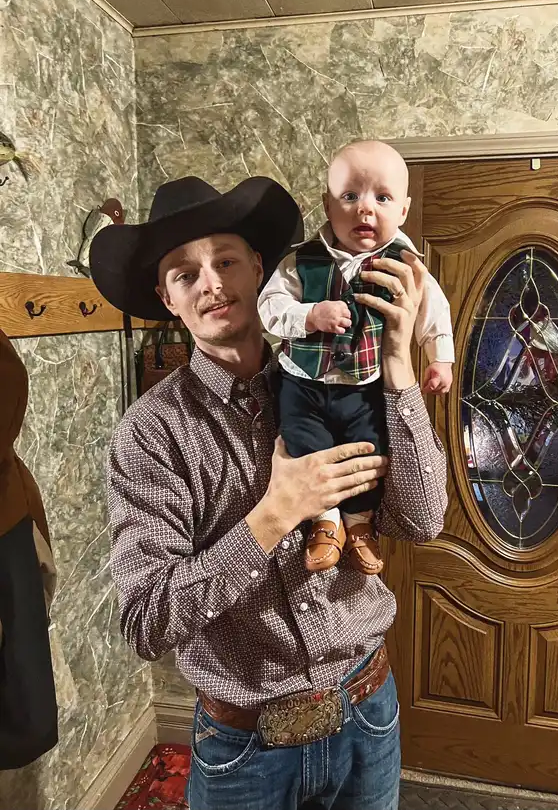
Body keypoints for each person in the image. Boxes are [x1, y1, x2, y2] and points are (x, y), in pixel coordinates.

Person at [89, 173, 448, 810]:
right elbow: (145, 620)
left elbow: (421, 520)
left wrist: (398, 366)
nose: (212, 284)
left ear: (259, 268)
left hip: (368, 715)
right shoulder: (149, 433)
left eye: (226, 262)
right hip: (244, 751)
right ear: (167, 297)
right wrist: (275, 515)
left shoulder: (346, 379)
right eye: (186, 274)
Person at [259, 140, 454, 577]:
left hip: (364, 384)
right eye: (350, 196)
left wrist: (440, 357)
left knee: (368, 448)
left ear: (403, 210)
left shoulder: (407, 265)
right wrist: (310, 315)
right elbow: (269, 307)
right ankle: (325, 522)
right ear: (328, 205)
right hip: (303, 380)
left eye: (382, 198)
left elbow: (433, 310)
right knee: (301, 439)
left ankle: (360, 524)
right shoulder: (301, 261)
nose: (365, 209)